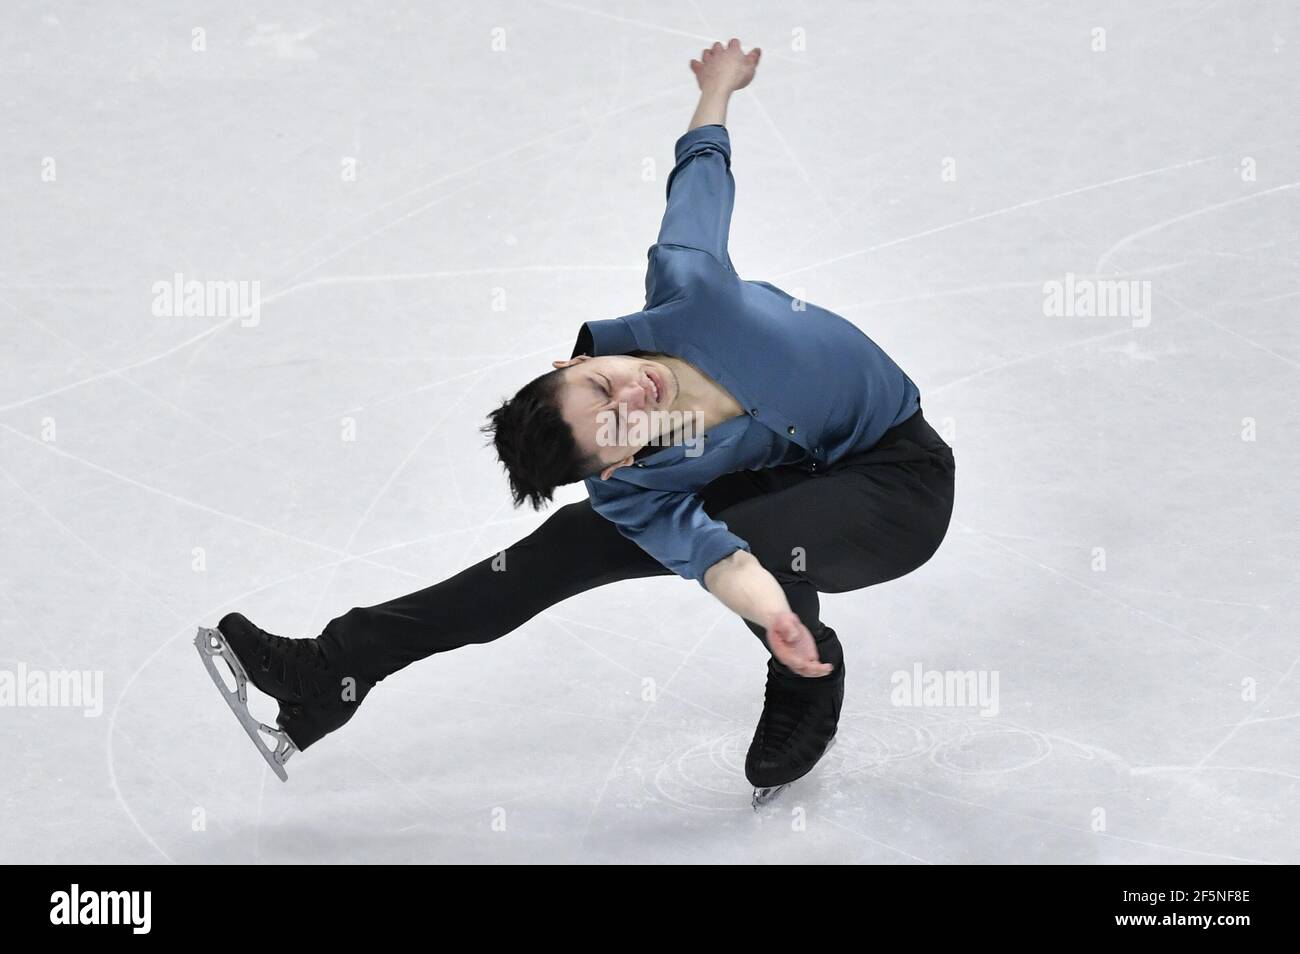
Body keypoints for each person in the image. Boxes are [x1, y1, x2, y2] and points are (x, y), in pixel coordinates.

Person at [200, 39, 956, 803]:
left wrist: (719, 88)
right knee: (552, 555)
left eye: (603, 385)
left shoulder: (690, 288)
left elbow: (701, 177)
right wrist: (773, 616)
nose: (636, 399)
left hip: (899, 484)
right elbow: (717, 561)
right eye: (616, 430)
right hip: (783, 481)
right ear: (614, 469)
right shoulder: (636, 493)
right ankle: (332, 672)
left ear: (572, 362)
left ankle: (805, 680)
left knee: (754, 529)